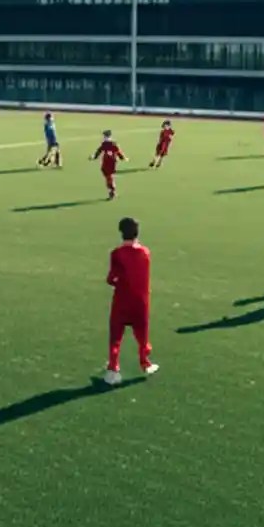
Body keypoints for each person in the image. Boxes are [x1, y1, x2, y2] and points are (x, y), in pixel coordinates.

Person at [104, 217, 160, 386]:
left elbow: (110, 278)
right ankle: (145, 362)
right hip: (140, 302)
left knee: (115, 337)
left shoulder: (117, 254)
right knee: (142, 335)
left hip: (122, 300)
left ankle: (113, 369)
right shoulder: (145, 252)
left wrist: (118, 283)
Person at [91, 130, 127, 200]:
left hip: (107, 162)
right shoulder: (113, 143)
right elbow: (118, 151)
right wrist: (123, 158)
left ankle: (112, 191)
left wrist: (94, 157)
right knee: (109, 177)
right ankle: (112, 191)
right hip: (112, 162)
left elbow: (99, 151)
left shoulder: (105, 143)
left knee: (108, 177)